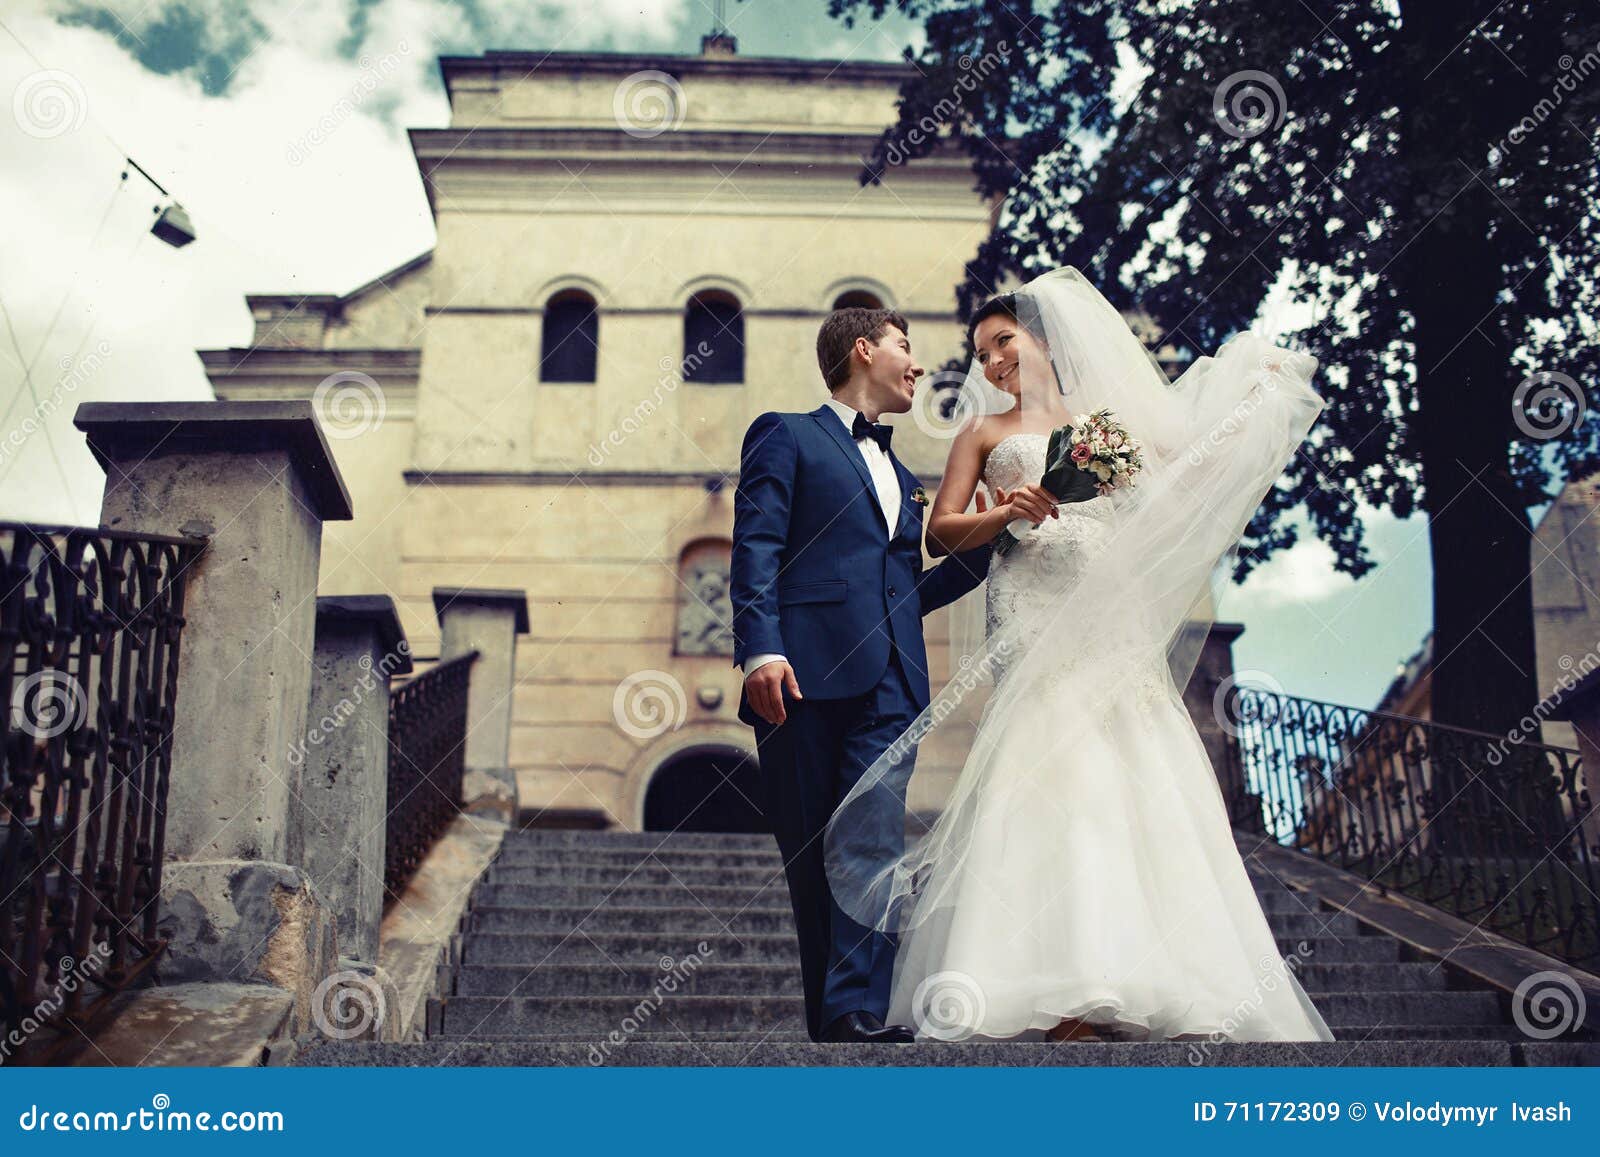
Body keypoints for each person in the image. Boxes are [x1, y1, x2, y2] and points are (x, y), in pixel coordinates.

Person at [823, 267, 1336, 1043]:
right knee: (1048, 762)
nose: (993, 362)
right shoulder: (983, 432)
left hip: (1108, 609)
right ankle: (1058, 990)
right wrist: (1006, 513)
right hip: (1032, 606)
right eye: (981, 354)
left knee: (1135, 764)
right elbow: (941, 531)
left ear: (1043, 339)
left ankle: (1173, 981)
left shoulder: (1108, 426)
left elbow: (1188, 468)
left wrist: (1252, 394)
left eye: (1003, 342)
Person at [729, 306, 1012, 1042]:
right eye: (904, 348)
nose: (917, 365)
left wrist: (990, 538)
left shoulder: (907, 478)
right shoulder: (786, 434)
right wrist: (761, 650)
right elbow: (756, 544)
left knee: (875, 839)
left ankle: (859, 1007)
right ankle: (831, 1020)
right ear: (863, 350)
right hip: (799, 676)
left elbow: (906, 591)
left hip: (893, 682)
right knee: (809, 852)